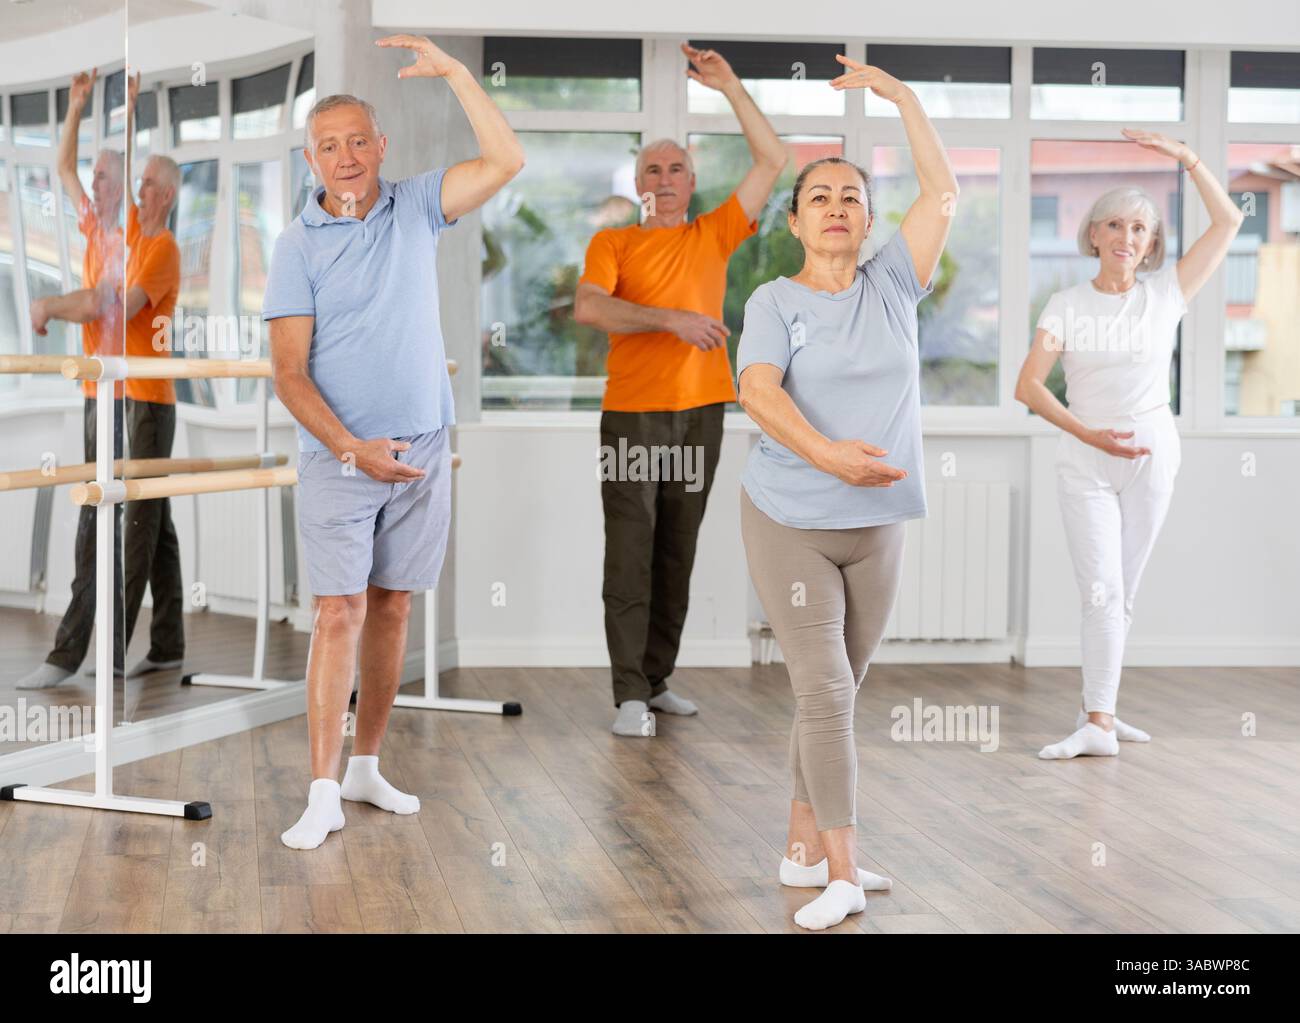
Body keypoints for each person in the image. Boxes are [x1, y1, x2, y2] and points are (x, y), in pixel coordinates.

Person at [263, 36, 523, 850]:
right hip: (340, 456)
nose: (344, 157)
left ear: (383, 147)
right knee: (337, 611)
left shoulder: (415, 206)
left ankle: (367, 764)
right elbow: (289, 374)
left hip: (420, 444)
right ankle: (320, 790)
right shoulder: (297, 244)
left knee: (393, 605)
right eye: (327, 146)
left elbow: (505, 158)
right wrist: (351, 449)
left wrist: (454, 75)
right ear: (312, 160)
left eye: (356, 141)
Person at [736, 58, 956, 930]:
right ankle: (843, 869)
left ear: (868, 220)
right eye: (819, 196)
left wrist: (903, 99)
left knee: (837, 692)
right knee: (825, 694)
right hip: (791, 517)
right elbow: (757, 392)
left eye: (851, 197)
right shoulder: (773, 299)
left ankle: (799, 847)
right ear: (794, 221)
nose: (836, 207)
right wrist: (831, 455)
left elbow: (941, 196)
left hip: (880, 525)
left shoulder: (895, 285)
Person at [575, 43, 787, 738]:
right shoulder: (613, 244)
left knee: (678, 550)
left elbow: (772, 161)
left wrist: (729, 86)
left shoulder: (714, 234)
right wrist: (671, 319)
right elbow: (591, 308)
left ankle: (657, 679)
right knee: (629, 552)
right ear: (638, 183)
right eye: (651, 170)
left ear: (691, 181)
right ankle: (627, 693)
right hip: (632, 420)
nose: (663, 178)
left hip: (699, 417)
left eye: (674, 169)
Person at [1016, 129, 1243, 761]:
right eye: (1114, 225)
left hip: (1154, 456)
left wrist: (1187, 158)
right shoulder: (1065, 303)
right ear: (1093, 234)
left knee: (1124, 591)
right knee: (1102, 591)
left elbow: (1227, 220)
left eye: (1139, 229)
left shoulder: (1166, 293)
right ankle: (1097, 722)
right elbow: (1029, 387)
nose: (1126, 237)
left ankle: (1104, 711)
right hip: (1085, 462)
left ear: (1150, 243)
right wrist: (1088, 433)